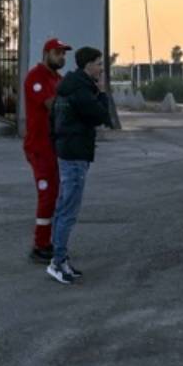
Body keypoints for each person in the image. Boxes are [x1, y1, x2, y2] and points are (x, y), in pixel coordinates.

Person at [46, 46, 111, 285]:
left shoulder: (68, 87)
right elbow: (100, 115)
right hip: (74, 154)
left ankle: (60, 259)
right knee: (68, 210)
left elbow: (53, 119)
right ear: (88, 66)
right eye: (99, 63)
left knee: (64, 206)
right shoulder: (82, 91)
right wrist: (102, 92)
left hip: (67, 151)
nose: (101, 68)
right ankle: (57, 262)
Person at [23, 38, 72, 263]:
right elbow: (52, 105)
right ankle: (40, 245)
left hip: (54, 146)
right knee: (47, 195)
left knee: (55, 195)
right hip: (39, 146)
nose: (61, 57)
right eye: (57, 53)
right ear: (46, 54)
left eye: (63, 54)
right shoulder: (36, 77)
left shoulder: (58, 79)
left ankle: (49, 242)